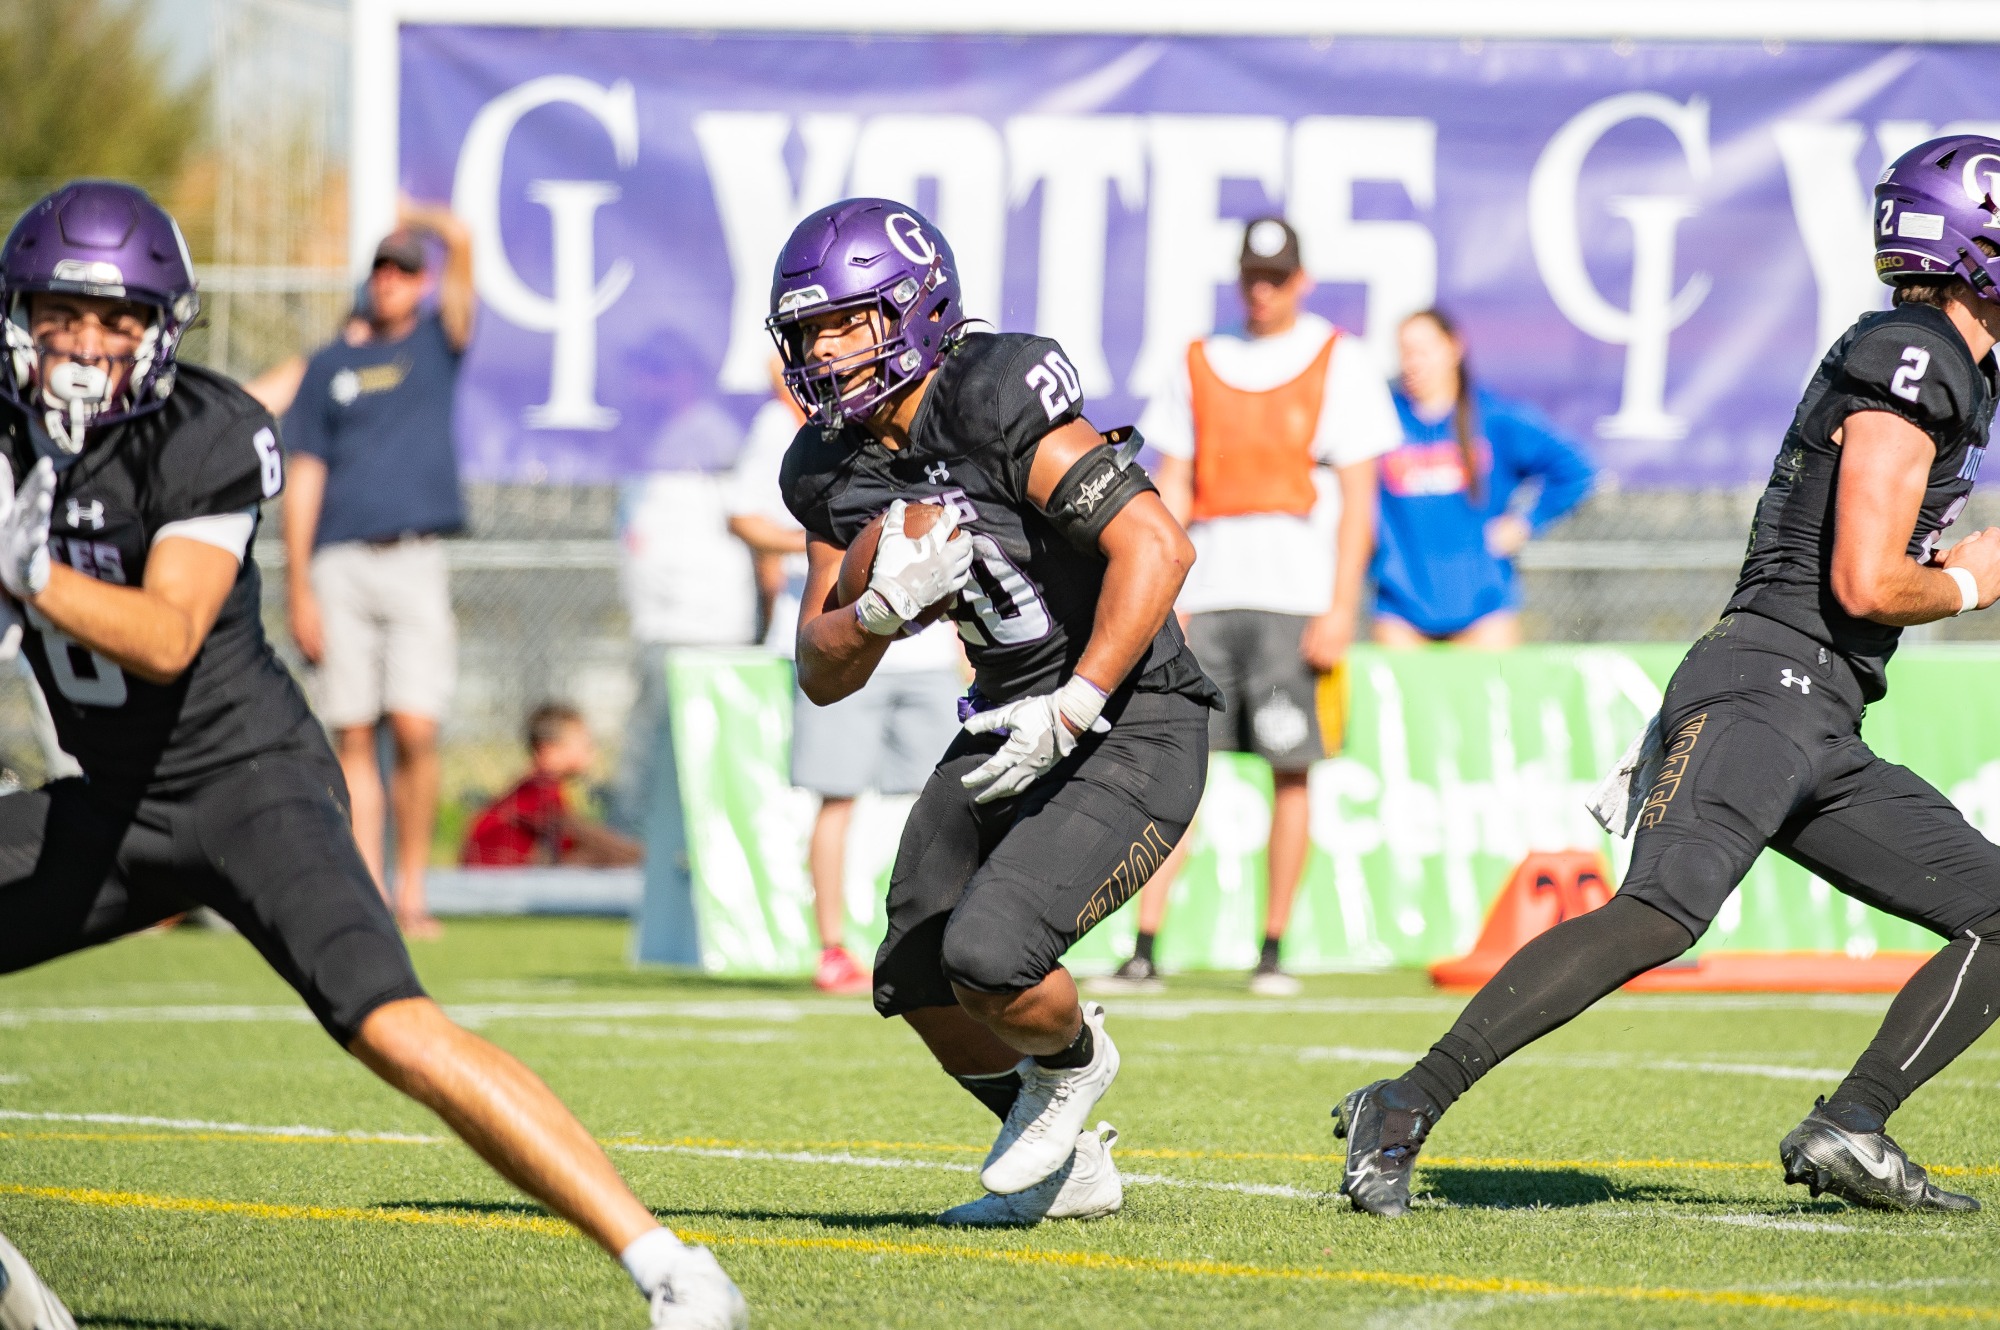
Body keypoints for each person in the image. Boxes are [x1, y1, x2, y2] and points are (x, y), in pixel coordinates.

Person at [0, 183, 744, 1326]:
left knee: (393, 1025)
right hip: (108, 801)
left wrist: (33, 574)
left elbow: (166, 634)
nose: (87, 345)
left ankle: (672, 1267)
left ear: (163, 328)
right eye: (63, 314)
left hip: (247, 785)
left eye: (117, 319)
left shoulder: (203, 429)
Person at [1335, 135, 2000, 1220]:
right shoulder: (1912, 352)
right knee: (1659, 911)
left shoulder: (1948, 362)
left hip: (1815, 713)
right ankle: (1404, 1100)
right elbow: (1866, 579)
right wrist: (1968, 583)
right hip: (1766, 688)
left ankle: (1853, 1121)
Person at [772, 198, 1217, 1226]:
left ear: (916, 310)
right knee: (915, 971)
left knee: (988, 957)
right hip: (1003, 716)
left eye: (845, 322)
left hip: (1131, 714)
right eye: (807, 332)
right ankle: (1072, 1172)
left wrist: (1076, 704)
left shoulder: (992, 393)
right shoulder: (829, 468)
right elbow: (820, 668)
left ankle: (1075, 1063)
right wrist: (874, 613)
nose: (824, 351)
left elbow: (1158, 547)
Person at [1100, 216, 1398, 996]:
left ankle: (1273, 947)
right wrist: (1165, 594)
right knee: (1176, 771)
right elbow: (1175, 483)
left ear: (1302, 280)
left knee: (1291, 770)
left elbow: (1360, 499)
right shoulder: (1200, 359)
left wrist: (1341, 606)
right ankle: (1145, 944)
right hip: (1207, 596)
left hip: (1295, 600)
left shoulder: (1340, 360)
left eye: (1277, 278)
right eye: (1252, 277)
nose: (1262, 292)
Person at [728, 363, 964, 995]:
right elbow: (743, 516)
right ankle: (832, 947)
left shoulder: (929, 423)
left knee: (954, 800)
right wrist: (834, 548)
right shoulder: (791, 432)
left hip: (926, 649)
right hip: (837, 637)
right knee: (836, 797)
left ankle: (949, 941)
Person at [281, 201, 474, 940]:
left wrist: (422, 219)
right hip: (338, 565)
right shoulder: (330, 366)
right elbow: (304, 476)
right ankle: (370, 896)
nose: (392, 279)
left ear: (422, 284)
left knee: (417, 727)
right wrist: (298, 585)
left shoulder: (434, 345)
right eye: (383, 268)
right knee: (353, 732)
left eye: (405, 270)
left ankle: (414, 891)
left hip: (414, 558)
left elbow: (464, 252)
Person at [1373, 308, 1594, 648]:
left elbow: (1575, 470)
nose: (1413, 362)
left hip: (1484, 610)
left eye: (1423, 350)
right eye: (1405, 352)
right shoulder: (1380, 420)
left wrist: (1525, 522)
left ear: (1453, 347)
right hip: (1401, 610)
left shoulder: (1493, 417)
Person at [462, 702, 642, 868]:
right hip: (495, 881)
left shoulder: (537, 787)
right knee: (594, 859)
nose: (591, 750)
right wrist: (642, 855)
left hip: (507, 876)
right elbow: (581, 833)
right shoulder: (537, 789)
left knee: (589, 858)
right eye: (583, 742)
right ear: (549, 748)